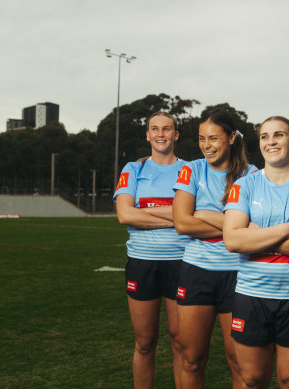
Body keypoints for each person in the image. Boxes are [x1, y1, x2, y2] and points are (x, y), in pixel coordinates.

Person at [223, 116, 289, 389]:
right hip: (252, 295)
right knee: (253, 379)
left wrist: (256, 235)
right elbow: (232, 239)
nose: (271, 142)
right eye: (265, 136)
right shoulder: (244, 185)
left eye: (278, 135)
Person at [172, 110, 257, 389]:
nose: (206, 145)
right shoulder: (192, 170)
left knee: (240, 364)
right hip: (197, 272)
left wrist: (204, 213)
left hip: (239, 275)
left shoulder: (252, 175)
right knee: (192, 360)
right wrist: (233, 227)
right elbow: (182, 223)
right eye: (201, 139)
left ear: (232, 138)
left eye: (213, 138)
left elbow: (253, 230)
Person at [114, 112, 188, 389]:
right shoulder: (133, 169)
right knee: (145, 343)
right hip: (142, 263)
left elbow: (194, 214)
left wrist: (144, 212)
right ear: (147, 135)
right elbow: (125, 215)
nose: (160, 134)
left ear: (175, 134)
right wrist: (177, 216)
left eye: (166, 129)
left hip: (182, 262)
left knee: (180, 341)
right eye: (154, 129)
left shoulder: (190, 170)